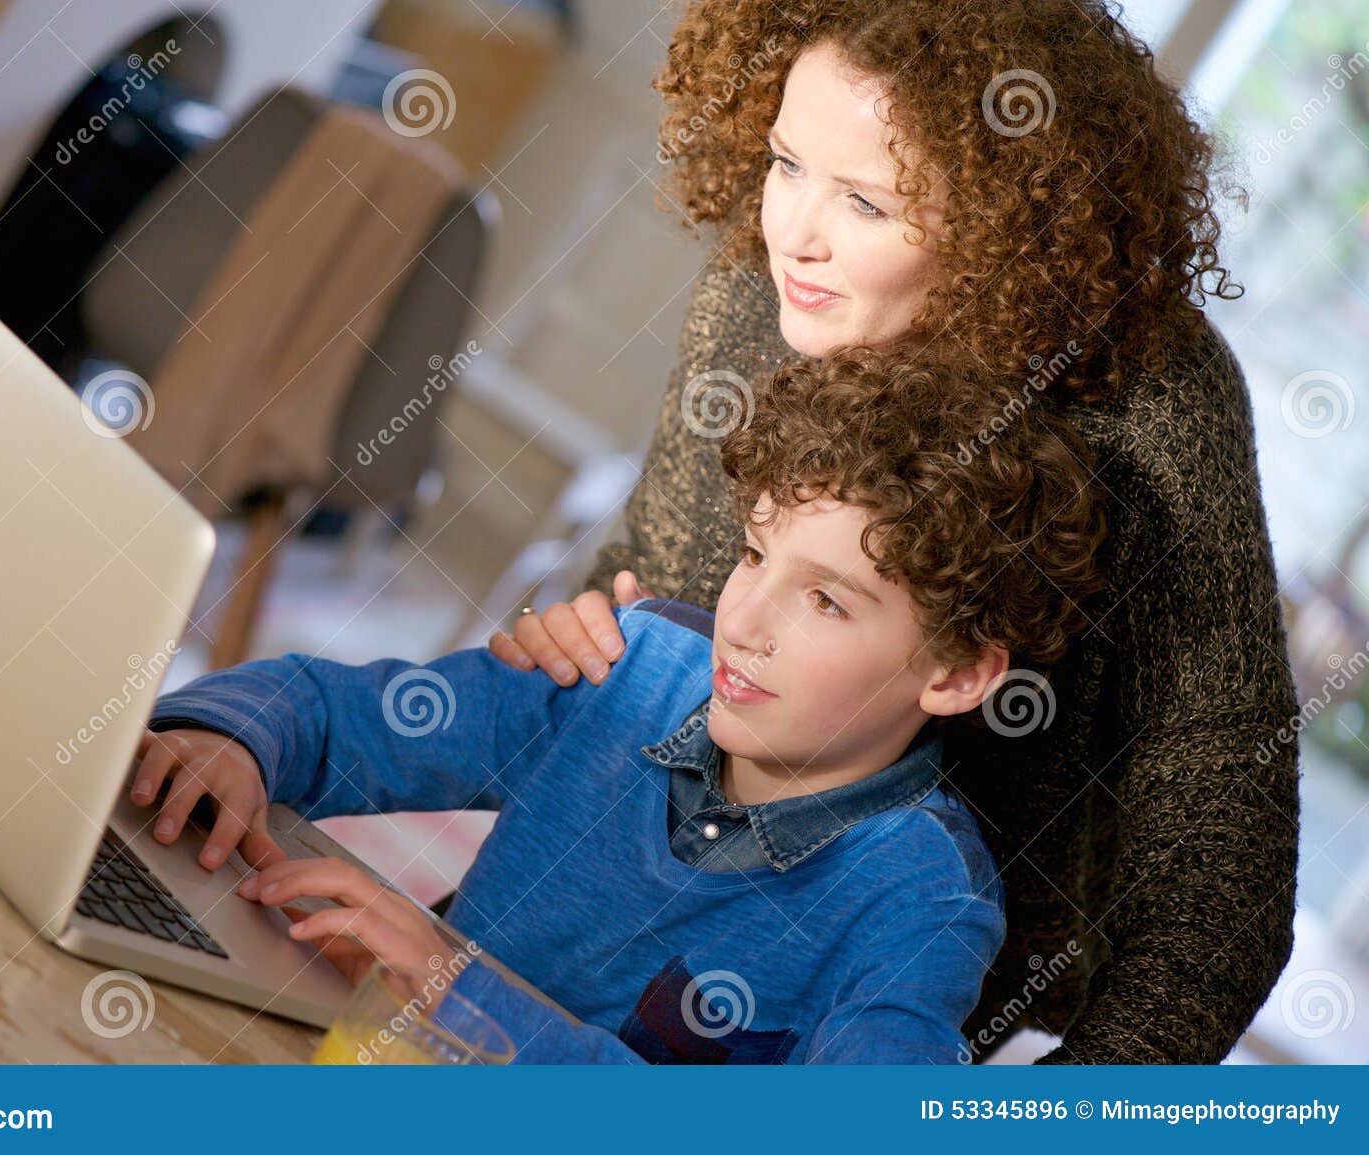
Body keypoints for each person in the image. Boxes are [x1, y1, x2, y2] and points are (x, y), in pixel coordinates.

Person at [487, 0, 1301, 1064]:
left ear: (1009, 228)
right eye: (785, 163)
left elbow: (1221, 868)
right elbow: (651, 588)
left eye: (867, 202)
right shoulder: (761, 293)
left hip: (907, 976)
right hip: (634, 902)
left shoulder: (1154, 405)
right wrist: (581, 646)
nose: (795, 234)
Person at [136, 349, 1106, 1062]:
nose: (745, 622)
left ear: (958, 676)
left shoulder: (920, 901)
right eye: (754, 557)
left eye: (825, 600)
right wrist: (226, 740)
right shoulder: (627, 674)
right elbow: (332, 711)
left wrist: (459, 993)